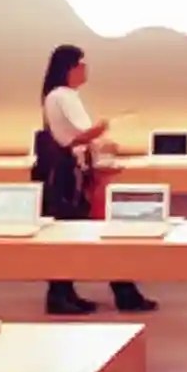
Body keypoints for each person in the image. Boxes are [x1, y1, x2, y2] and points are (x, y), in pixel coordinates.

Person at [33, 44, 156, 315]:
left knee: (71, 236)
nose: (85, 69)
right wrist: (101, 129)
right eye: (82, 64)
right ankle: (118, 292)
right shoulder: (63, 96)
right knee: (92, 234)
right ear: (70, 68)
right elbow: (78, 136)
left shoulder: (55, 96)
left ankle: (69, 293)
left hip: (70, 175)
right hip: (73, 178)